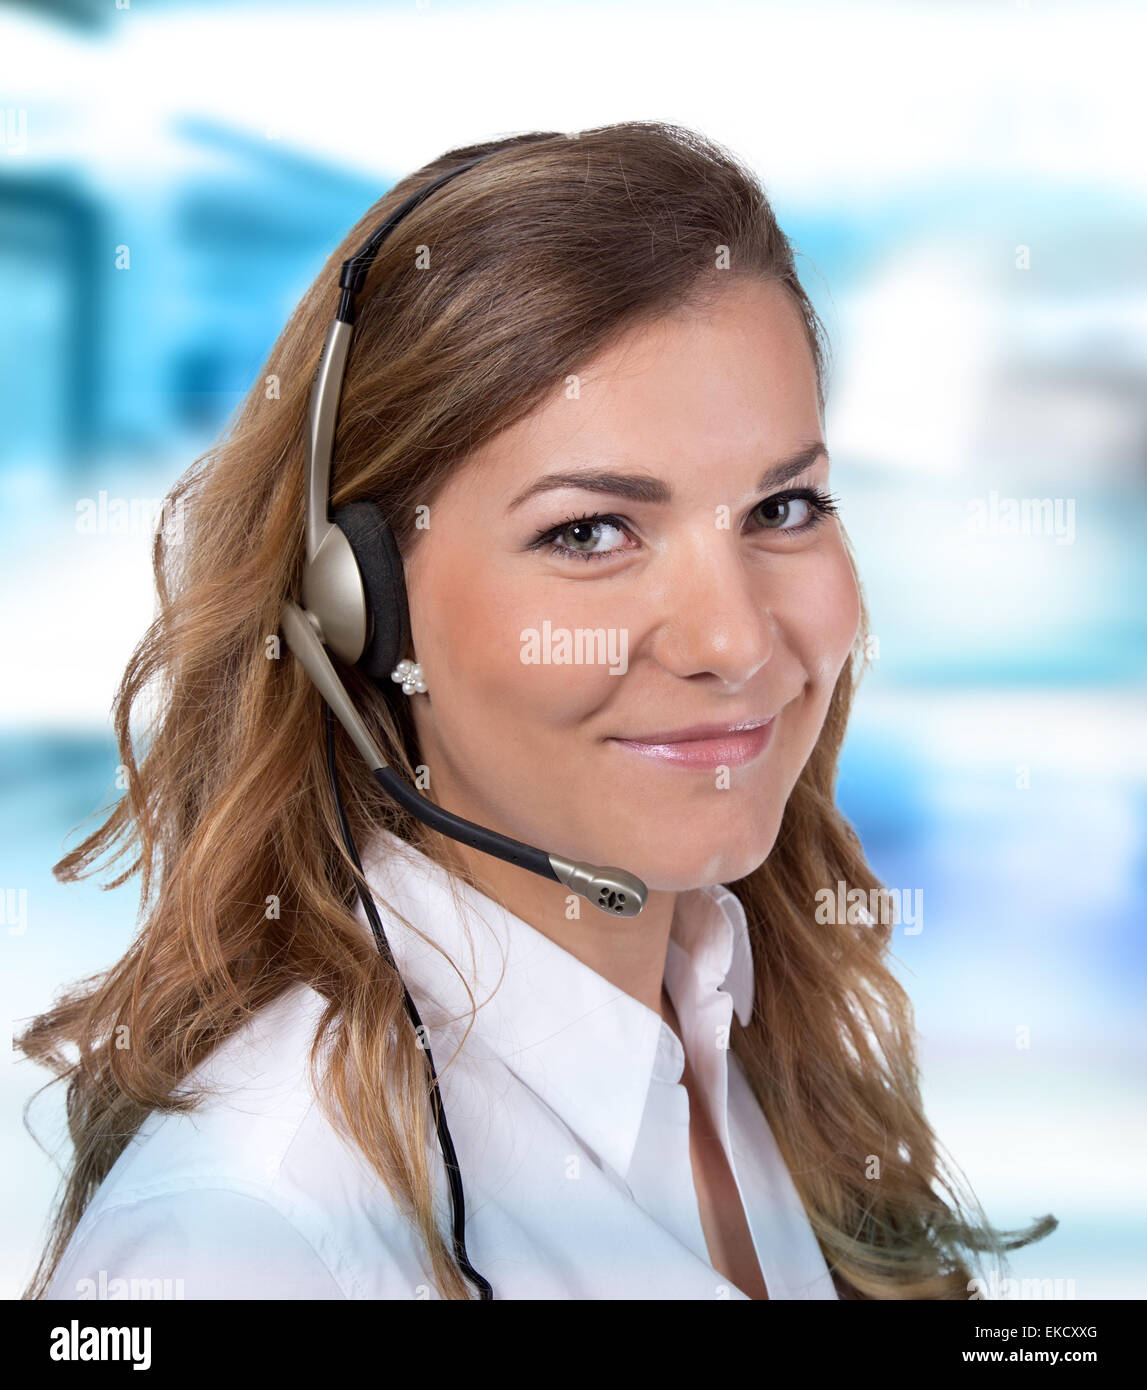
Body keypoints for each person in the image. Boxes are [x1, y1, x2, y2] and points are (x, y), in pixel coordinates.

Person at [19, 121, 1054, 1301]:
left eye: (780, 508)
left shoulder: (733, 1025)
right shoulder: (253, 1232)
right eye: (588, 532)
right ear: (358, 606)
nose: (732, 640)